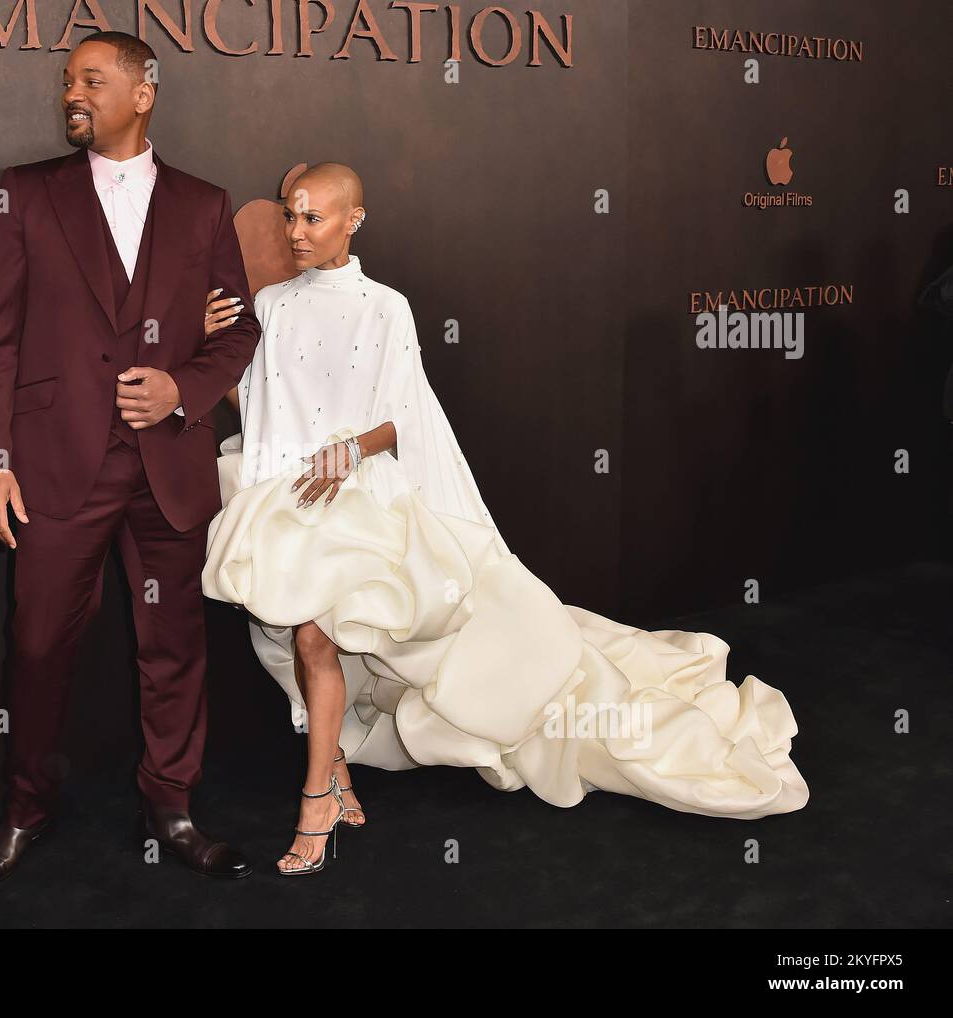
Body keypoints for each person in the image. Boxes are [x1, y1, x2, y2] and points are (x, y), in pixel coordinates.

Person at [200, 163, 810, 876]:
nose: (297, 232)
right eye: (290, 217)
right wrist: (215, 344)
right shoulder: (270, 303)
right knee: (306, 641)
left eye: (313, 218)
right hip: (294, 500)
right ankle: (333, 778)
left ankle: (317, 801)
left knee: (316, 637)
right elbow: (259, 407)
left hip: (366, 501)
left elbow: (406, 418)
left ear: (353, 221)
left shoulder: (386, 307)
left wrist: (348, 449)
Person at [0, 32, 261, 891]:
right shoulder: (24, 193)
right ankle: (25, 811)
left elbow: (239, 328)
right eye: (66, 82)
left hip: (169, 467)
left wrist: (181, 389)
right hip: (56, 467)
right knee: (37, 644)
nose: (72, 93)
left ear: (144, 90)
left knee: (175, 648)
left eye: (91, 79)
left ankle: (172, 807)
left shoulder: (205, 204)